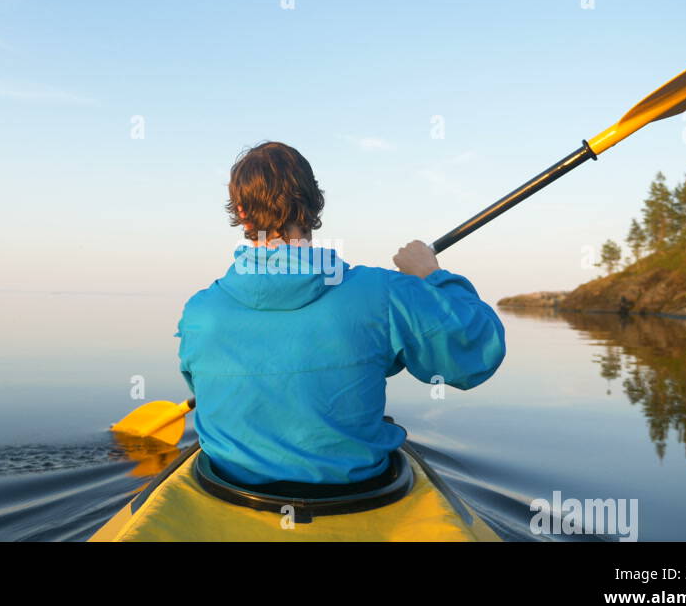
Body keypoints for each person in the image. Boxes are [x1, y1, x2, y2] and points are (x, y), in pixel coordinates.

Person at [175, 141, 506, 485]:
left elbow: (201, 384)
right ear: (314, 202)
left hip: (231, 488)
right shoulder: (383, 292)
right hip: (355, 494)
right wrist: (431, 276)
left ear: (241, 212)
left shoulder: (199, 313)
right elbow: (476, 355)